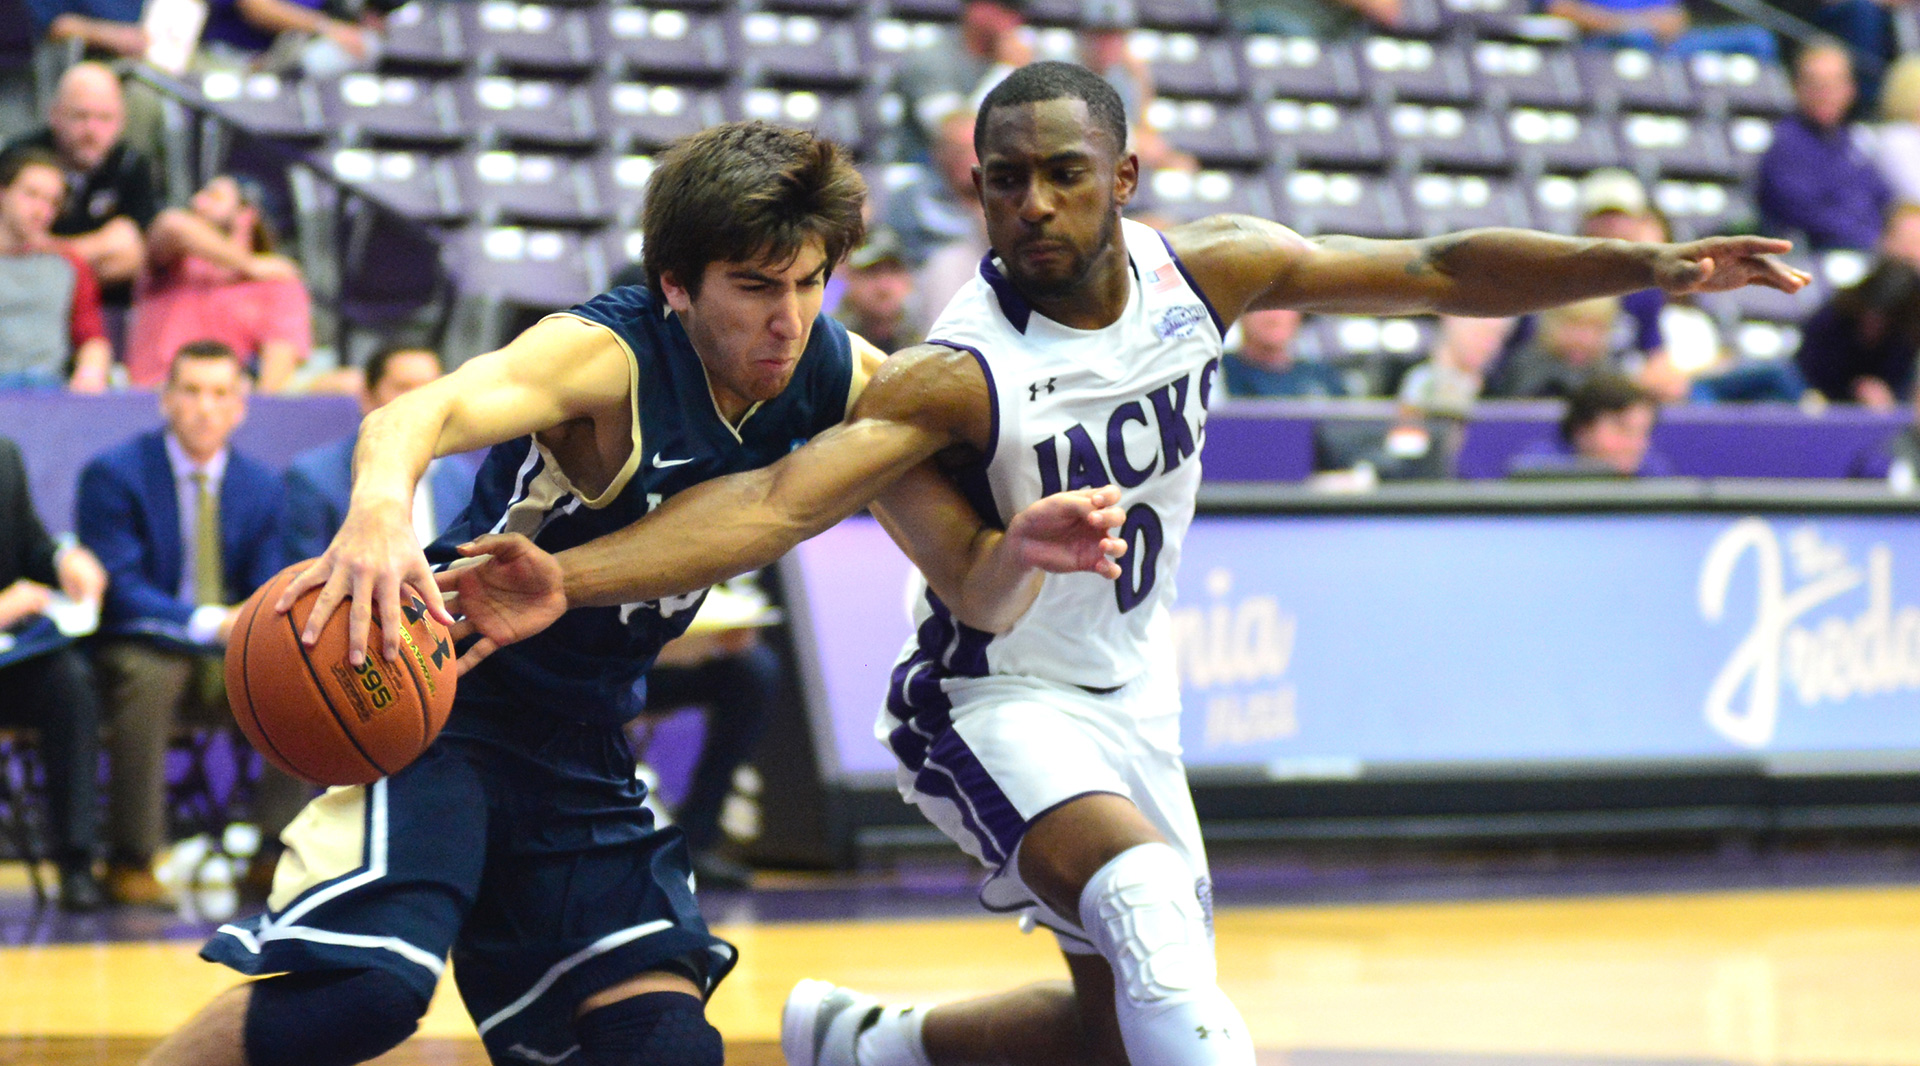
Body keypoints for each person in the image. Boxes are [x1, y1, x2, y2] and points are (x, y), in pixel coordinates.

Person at [405, 62, 1806, 1066]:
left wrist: (1642, 267)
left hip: (1132, 687)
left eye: (1065, 174)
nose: (1034, 204)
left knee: (1111, 1018)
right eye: (1003, 180)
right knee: (1143, 912)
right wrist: (574, 579)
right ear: (975, 192)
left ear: (1125, 179)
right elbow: (774, 502)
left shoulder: (1217, 271)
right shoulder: (951, 374)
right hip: (988, 687)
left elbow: (1440, 264)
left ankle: (867, 1045)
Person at [139, 121, 1123, 1066]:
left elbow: (974, 588)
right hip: (445, 707)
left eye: (811, 282)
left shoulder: (834, 376)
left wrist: (1019, 549)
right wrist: (378, 506)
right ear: (676, 285)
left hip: (584, 745)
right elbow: (423, 408)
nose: (787, 318)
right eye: (753, 287)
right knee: (358, 999)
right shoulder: (609, 356)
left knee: (664, 1044)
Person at [75, 340, 310, 907]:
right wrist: (209, 621)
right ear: (165, 399)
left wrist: (246, 626)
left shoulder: (262, 485)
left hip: (232, 646)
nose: (205, 407)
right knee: (153, 676)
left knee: (304, 676)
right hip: (143, 640)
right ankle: (132, 858)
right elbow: (121, 590)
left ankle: (273, 850)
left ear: (241, 406)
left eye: (220, 393)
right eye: (192, 391)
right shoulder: (113, 474)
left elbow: (272, 582)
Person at [0, 435, 110, 911]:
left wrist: (64, 559)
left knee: (68, 683)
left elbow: (29, 544)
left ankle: (76, 861)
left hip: (7, 657)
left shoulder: (3, 457)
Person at [283, 346, 468, 564]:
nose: (421, 401)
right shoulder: (314, 477)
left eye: (431, 388)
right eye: (404, 387)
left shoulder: (460, 477)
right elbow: (302, 575)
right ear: (367, 397)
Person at [125, 175, 310, 391]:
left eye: (214, 196)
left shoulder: (277, 283)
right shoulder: (172, 264)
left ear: (246, 215)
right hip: (148, 398)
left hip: (222, 406)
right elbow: (171, 224)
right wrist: (249, 264)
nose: (197, 202)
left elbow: (276, 372)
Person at [1, 62, 156, 308]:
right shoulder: (21, 157)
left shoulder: (131, 164)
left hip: (97, 297)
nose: (91, 130)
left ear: (121, 121)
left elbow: (131, 248)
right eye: (80, 116)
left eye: (104, 118)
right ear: (55, 115)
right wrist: (98, 246)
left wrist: (54, 250)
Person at [1757, 40, 1893, 252]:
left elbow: (1883, 197)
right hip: (1823, 256)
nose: (1825, 93)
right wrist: (1874, 240)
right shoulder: (1786, 145)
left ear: (1850, 89)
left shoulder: (1854, 139)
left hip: (1873, 248)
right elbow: (1805, 214)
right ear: (1797, 88)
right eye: (1815, 84)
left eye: (1834, 83)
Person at [0, 148, 112, 391]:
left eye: (52, 201)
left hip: (49, 388)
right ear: (3, 192)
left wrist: (91, 372)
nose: (41, 210)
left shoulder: (67, 263)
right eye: (31, 195)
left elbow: (91, 337)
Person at [891, 0, 1029, 165]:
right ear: (974, 7)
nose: (1008, 18)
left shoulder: (1028, 59)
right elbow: (957, 135)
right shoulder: (931, 59)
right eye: (999, 6)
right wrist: (1006, 72)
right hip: (929, 172)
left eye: (1015, 9)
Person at [1794, 255, 1920, 408]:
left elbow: (1901, 385)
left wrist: (1884, 396)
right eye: (1870, 315)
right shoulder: (1831, 318)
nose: (1875, 324)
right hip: (1811, 394)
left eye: (1884, 320)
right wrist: (1853, 389)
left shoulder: (1906, 335)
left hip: (1886, 406)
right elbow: (1807, 371)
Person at [1510, 373, 1672, 476]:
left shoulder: (1651, 472)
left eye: (1642, 432)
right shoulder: (1538, 472)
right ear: (1582, 429)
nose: (1635, 445)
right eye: (1623, 430)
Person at [1486, 296, 1622, 398]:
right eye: (1575, 326)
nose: (1585, 339)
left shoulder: (1608, 374)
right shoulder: (1525, 367)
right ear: (1553, 324)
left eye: (1597, 328)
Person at [1542, 0, 1775, 57]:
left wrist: (1662, 24)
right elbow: (1559, 9)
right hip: (1608, 40)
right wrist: (1624, 23)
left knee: (1757, 39)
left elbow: (1678, 17)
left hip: (1670, 42)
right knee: (1636, 37)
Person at [1218, 307, 1349, 397]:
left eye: (1282, 305)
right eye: (1260, 306)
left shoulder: (1322, 378)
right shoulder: (1216, 374)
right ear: (1240, 313)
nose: (1273, 316)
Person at [833, 229, 927, 353]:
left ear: (908, 279)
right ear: (850, 278)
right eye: (872, 272)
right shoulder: (832, 342)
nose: (884, 287)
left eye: (894, 271)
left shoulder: (924, 343)